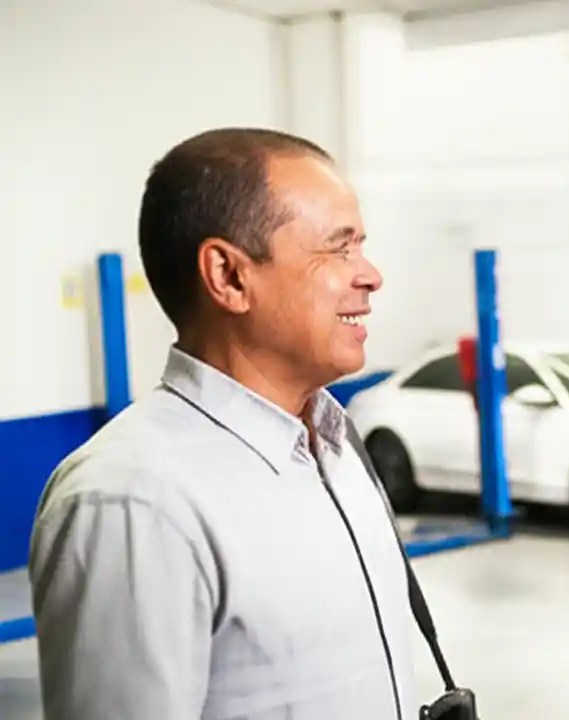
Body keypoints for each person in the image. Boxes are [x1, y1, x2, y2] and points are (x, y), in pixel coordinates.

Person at [27, 128, 416, 719]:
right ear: (230, 277)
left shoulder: (334, 444)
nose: (370, 276)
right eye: (339, 250)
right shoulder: (134, 500)